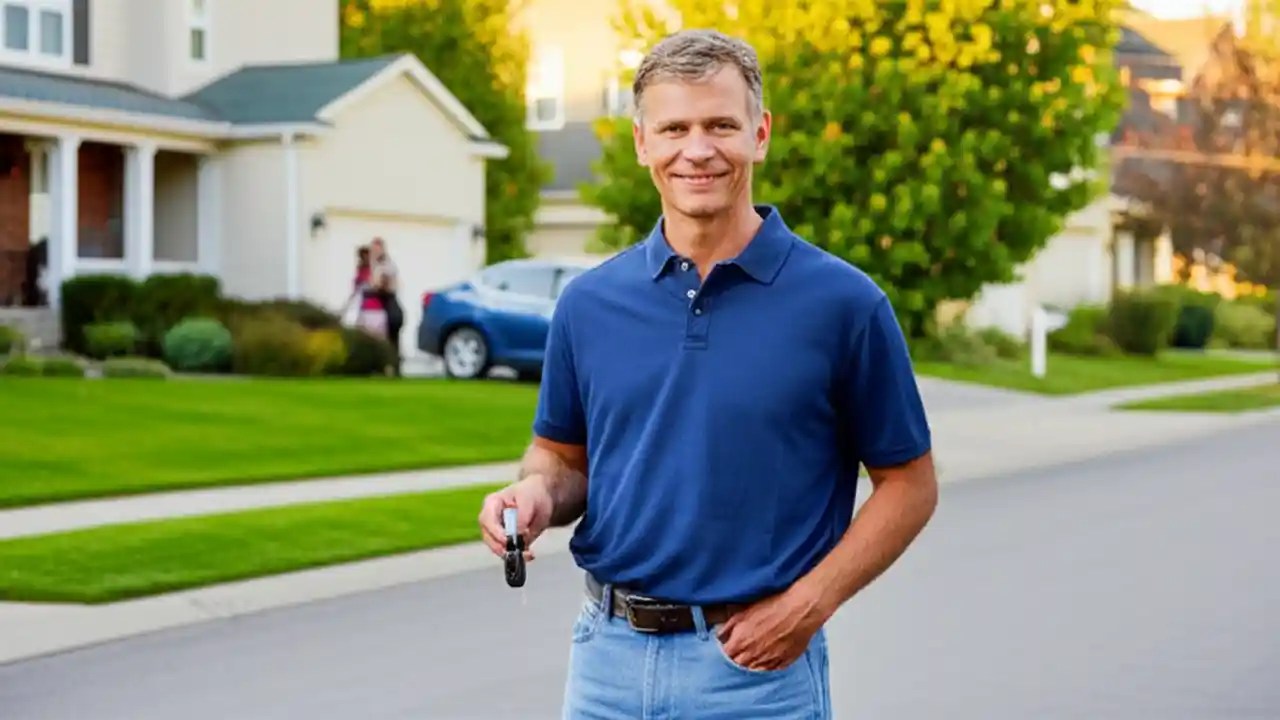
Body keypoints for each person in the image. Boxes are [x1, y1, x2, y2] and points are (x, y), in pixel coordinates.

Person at [478, 29, 938, 719]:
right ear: (642, 143)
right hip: (605, 668)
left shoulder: (844, 304)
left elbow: (910, 485)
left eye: (721, 125)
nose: (697, 149)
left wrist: (809, 605)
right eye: (675, 129)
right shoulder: (589, 304)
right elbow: (562, 457)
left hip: (755, 675)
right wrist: (536, 493)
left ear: (761, 134)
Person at [369, 237, 403, 375]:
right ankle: (388, 367)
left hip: (389, 306)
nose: (374, 252)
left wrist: (373, 286)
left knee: (390, 340)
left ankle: (392, 368)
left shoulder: (386, 266)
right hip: (384, 306)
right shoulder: (376, 265)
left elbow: (382, 285)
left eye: (376, 249)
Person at [347, 245, 386, 338]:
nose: (365, 259)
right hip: (363, 310)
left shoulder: (377, 271)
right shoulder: (360, 272)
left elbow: (379, 287)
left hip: (375, 310)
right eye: (362, 257)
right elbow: (355, 292)